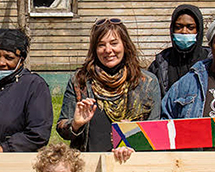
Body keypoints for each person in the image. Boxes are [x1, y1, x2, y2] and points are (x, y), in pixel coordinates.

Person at [57, 18, 160, 158]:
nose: (108, 50)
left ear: (125, 45)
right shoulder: (80, 81)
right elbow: (62, 129)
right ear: (95, 49)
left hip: (132, 165)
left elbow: (156, 133)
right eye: (101, 45)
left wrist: (134, 135)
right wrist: (76, 124)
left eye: (114, 43)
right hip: (89, 166)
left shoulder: (147, 82)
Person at [148, 4, 208, 96]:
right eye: (178, 27)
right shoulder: (161, 64)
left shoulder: (210, 61)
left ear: (198, 30)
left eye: (190, 27)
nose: (184, 31)